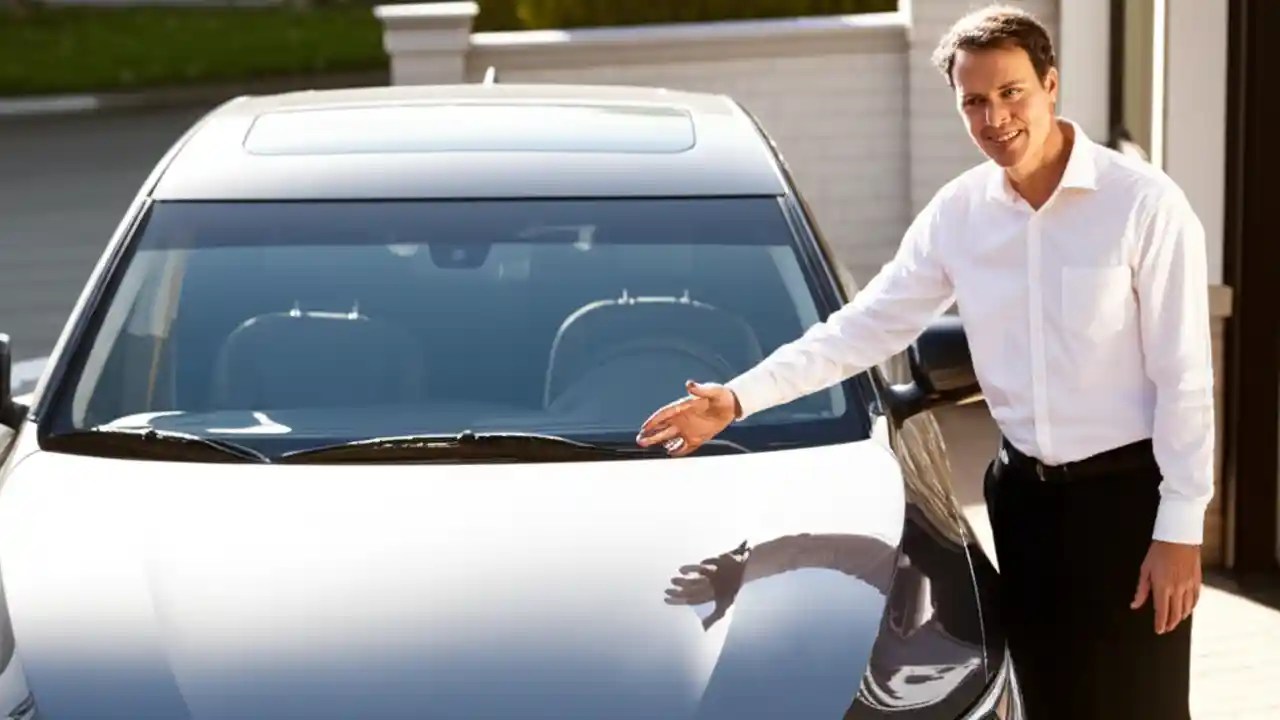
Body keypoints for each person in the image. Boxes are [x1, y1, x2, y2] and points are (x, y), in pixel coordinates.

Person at [636, 5, 1212, 719]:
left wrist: (1180, 527)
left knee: (1143, 706)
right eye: (974, 101)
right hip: (1025, 504)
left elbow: (1185, 377)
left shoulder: (1144, 205)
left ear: (1051, 84)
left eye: (1012, 92)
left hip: (1129, 505)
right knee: (1048, 701)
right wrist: (738, 398)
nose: (995, 117)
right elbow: (864, 327)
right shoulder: (959, 214)